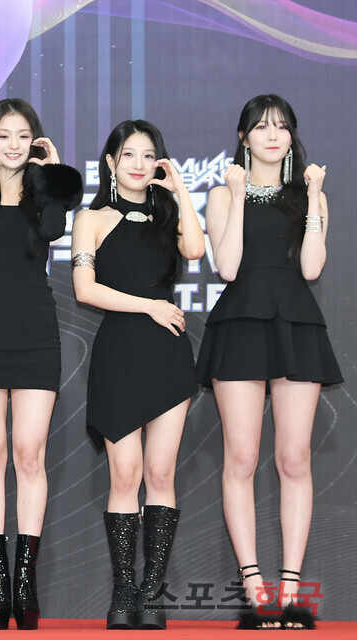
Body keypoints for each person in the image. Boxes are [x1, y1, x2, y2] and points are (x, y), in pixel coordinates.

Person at [195, 95, 340, 630]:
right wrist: (236, 196)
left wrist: (315, 198)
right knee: (241, 458)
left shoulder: (309, 195)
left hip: (295, 322)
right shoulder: (220, 193)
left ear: (292, 135)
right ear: (243, 137)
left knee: (294, 459)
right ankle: (256, 593)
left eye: (281, 127)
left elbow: (311, 267)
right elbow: (228, 267)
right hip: (240, 322)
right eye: (261, 127)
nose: (272, 135)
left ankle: (292, 592)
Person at [0, 98, 82, 630]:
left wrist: (51, 176)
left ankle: (25, 582)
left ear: (35, 141)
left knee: (29, 455)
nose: (13, 145)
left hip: (35, 335)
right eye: (3, 135)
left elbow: (51, 230)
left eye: (23, 136)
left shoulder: (45, 196)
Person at [71, 120, 204, 630]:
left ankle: (152, 593)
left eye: (149, 155)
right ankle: (124, 590)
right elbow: (85, 289)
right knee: (125, 474)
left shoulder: (169, 216)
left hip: (168, 354)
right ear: (110, 162)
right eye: (128, 154)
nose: (139, 164)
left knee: (161, 473)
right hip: (119, 353)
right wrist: (149, 305)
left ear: (159, 164)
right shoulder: (91, 219)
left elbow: (195, 250)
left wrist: (181, 191)